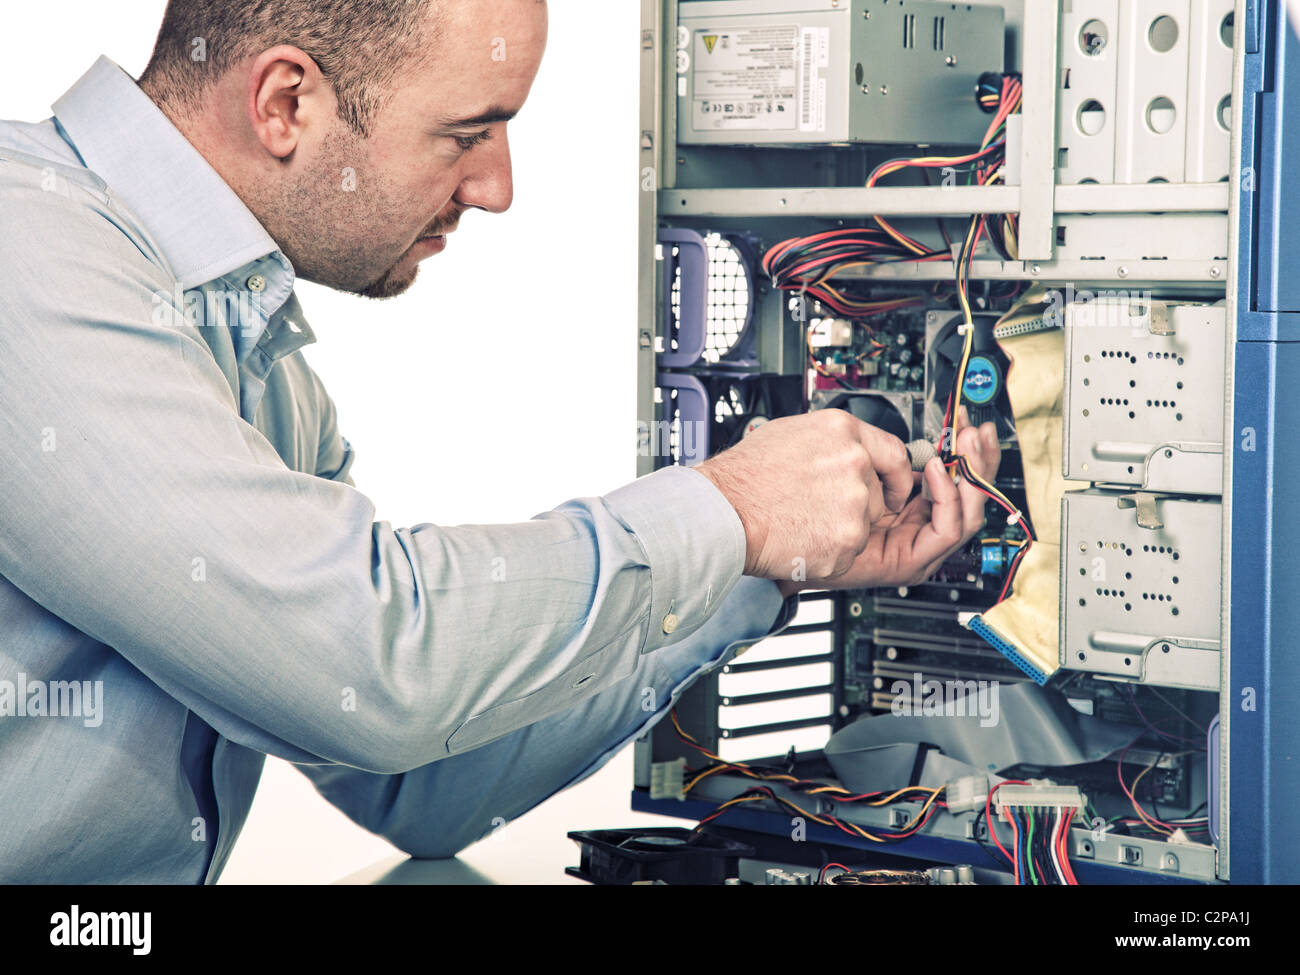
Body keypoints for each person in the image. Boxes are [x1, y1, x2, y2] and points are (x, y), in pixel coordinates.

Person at [0, 0, 1001, 882]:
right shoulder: (26, 246)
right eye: (467, 132)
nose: (496, 187)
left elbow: (420, 785)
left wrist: (765, 565)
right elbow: (367, 655)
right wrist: (730, 510)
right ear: (285, 105)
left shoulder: (254, 366)